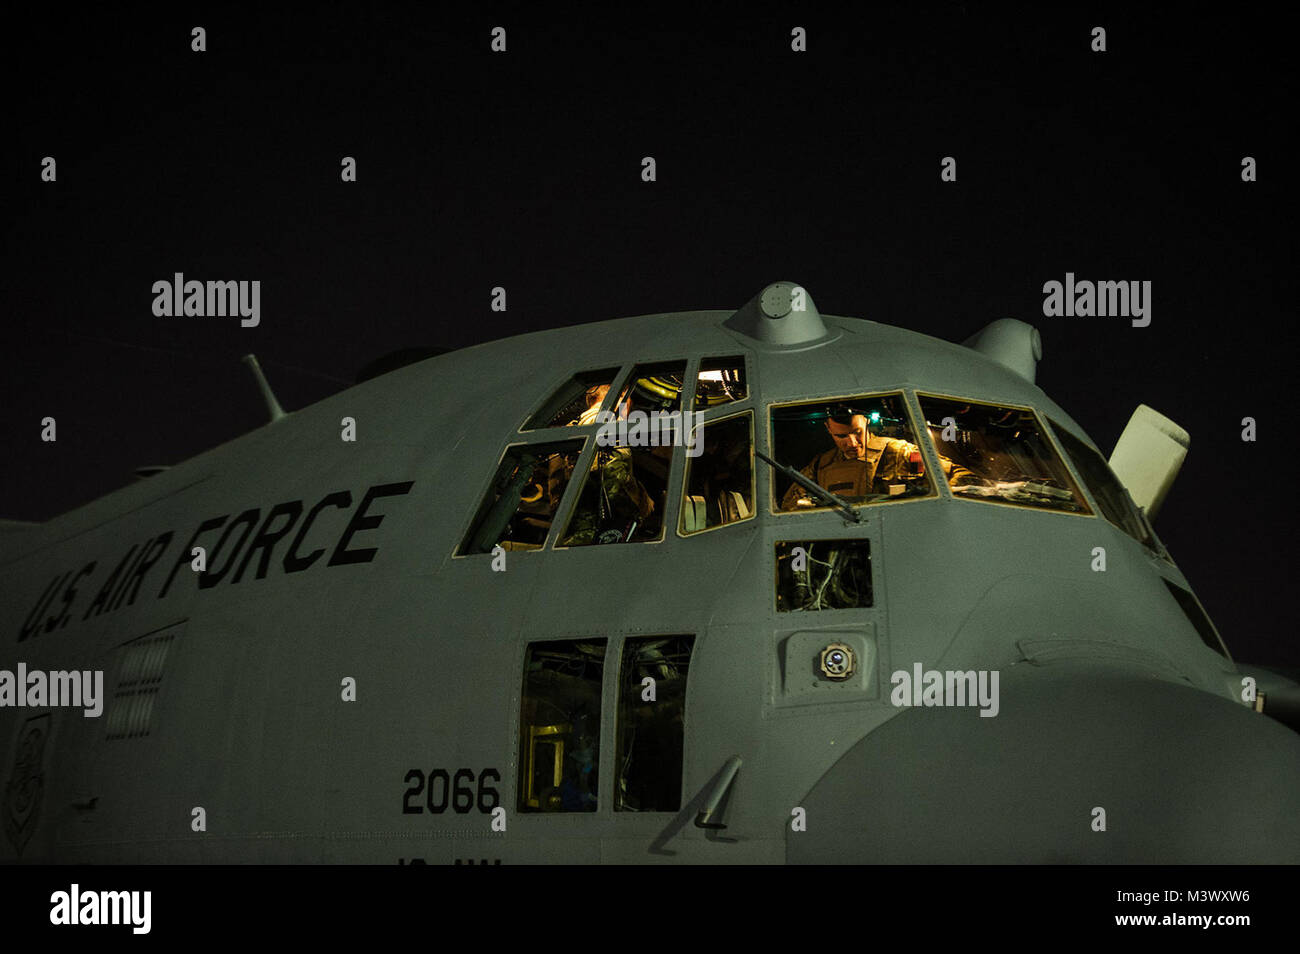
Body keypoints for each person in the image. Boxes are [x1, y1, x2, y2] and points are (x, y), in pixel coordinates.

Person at [779, 405, 979, 510]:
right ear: (828, 429)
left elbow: (961, 476)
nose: (852, 442)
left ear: (866, 422)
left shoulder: (899, 453)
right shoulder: (820, 467)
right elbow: (789, 506)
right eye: (841, 436)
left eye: (857, 432)